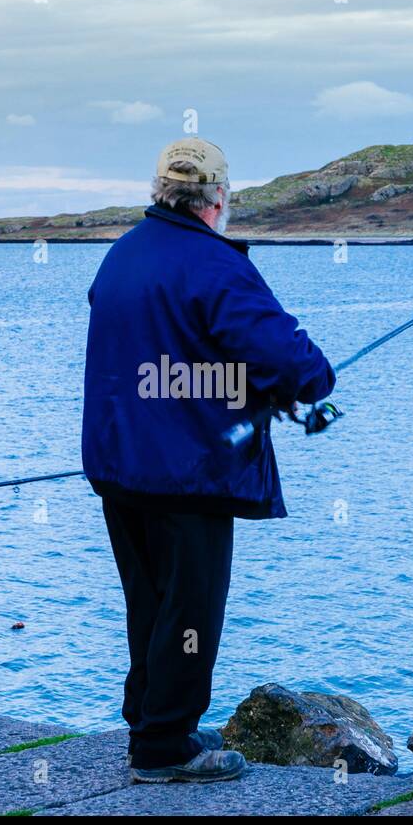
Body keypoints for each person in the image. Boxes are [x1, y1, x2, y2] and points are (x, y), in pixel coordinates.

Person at [82, 138, 337, 783]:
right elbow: (284, 355)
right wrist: (310, 381)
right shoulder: (212, 264)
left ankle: (149, 718)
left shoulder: (121, 255)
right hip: (187, 468)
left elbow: (164, 354)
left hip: (120, 465)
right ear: (218, 198)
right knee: (190, 607)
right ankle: (165, 748)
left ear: (159, 191)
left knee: (149, 598)